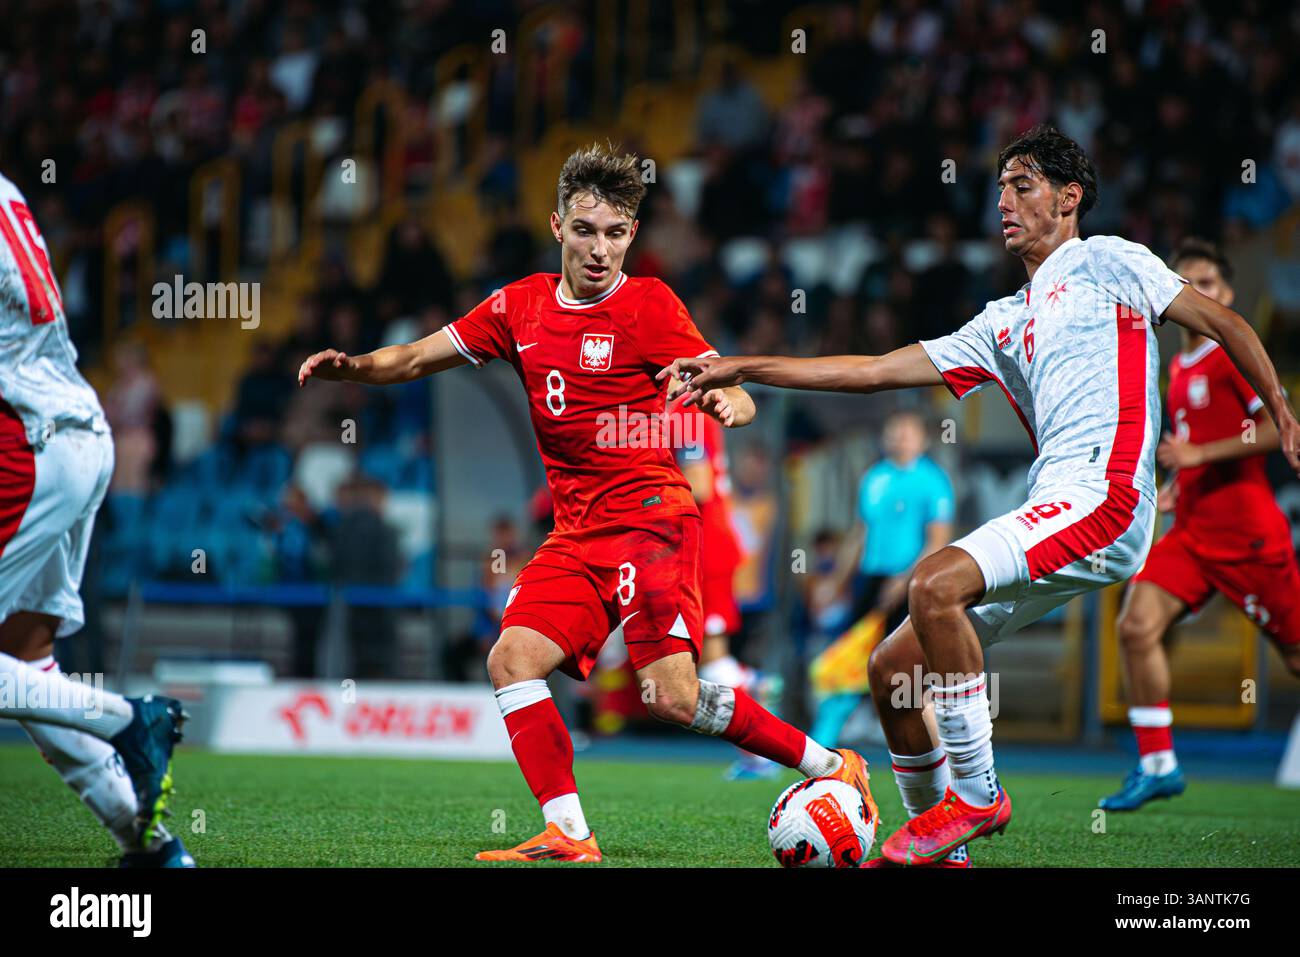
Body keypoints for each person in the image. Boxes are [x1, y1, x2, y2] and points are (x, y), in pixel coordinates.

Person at [663, 124, 1300, 867]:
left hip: (1107, 491)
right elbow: (870, 370)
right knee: (893, 670)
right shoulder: (1002, 320)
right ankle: (945, 847)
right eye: (999, 186)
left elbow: (1224, 322)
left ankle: (977, 792)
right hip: (1055, 501)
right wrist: (747, 365)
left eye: (1021, 185)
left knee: (933, 583)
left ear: (1069, 199)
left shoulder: (1111, 260)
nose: (1002, 200)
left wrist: (1282, 412)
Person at [299, 143, 877, 864]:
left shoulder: (650, 306)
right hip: (577, 535)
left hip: (651, 523)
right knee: (511, 658)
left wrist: (728, 400)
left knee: (670, 695)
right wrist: (354, 367)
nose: (599, 248)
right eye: (584, 230)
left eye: (613, 233)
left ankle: (829, 764)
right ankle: (571, 831)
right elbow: (416, 357)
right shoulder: (518, 306)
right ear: (557, 227)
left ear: (631, 235)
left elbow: (731, 386)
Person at [0, 172, 191, 867]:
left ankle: (129, 718)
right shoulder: (8, 191)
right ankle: (153, 845)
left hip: (22, 444)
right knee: (27, 664)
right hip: (79, 429)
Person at [1101, 238, 1300, 812]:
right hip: (1192, 533)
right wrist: (1176, 487)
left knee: (1295, 657)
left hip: (1249, 534)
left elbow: (1274, 431)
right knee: (1136, 625)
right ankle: (1158, 764)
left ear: (1228, 294)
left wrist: (1196, 457)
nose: (1197, 294)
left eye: (1208, 284)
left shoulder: (1231, 354)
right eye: (1186, 284)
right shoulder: (1177, 365)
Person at [811, 410, 954, 753]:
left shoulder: (932, 480)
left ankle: (903, 726)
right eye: (894, 432)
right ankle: (855, 718)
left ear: (922, 439)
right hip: (870, 579)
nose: (899, 438)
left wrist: (905, 580)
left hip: (909, 581)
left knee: (902, 657)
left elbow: (938, 540)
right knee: (857, 652)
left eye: (907, 432)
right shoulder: (874, 477)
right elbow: (860, 533)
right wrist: (835, 581)